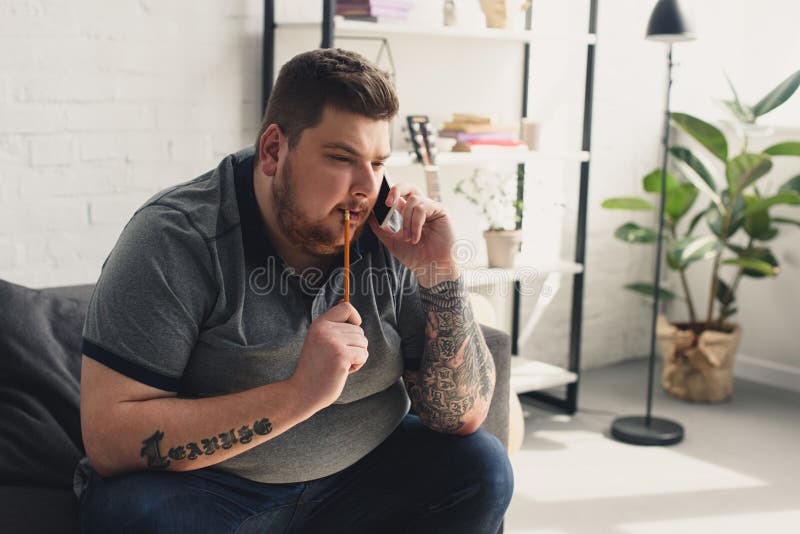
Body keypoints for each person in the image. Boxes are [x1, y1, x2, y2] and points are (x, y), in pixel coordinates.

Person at [76, 47, 513, 533]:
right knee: (138, 517)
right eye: (342, 158)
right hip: (213, 488)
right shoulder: (175, 238)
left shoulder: (391, 227)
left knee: (482, 468)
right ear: (272, 151)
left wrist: (441, 274)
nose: (366, 187)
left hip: (366, 475)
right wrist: (300, 394)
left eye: (377, 161)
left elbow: (462, 419)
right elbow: (109, 439)